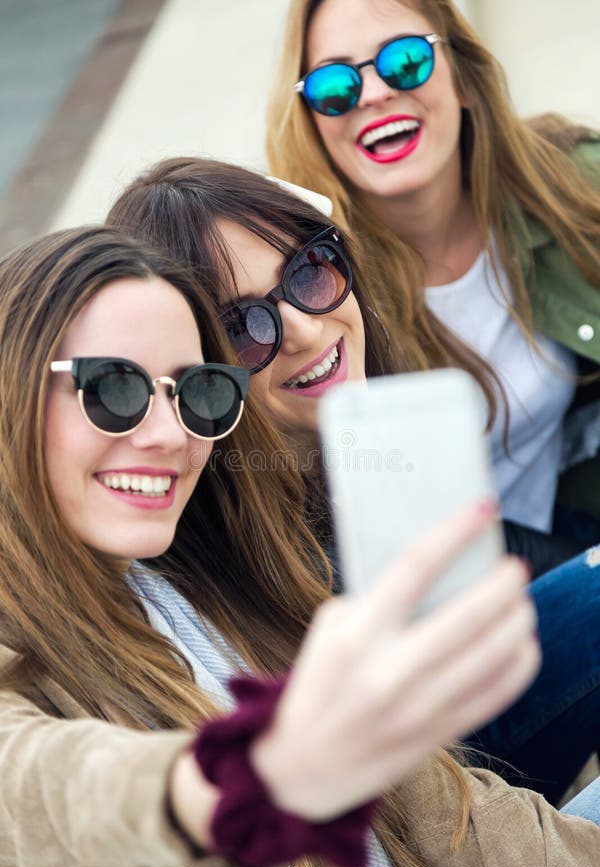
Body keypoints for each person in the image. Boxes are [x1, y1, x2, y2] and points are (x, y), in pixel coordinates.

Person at [2, 224, 588, 867]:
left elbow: (462, 825)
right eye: (114, 388)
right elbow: (46, 793)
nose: (169, 436)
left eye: (197, 393)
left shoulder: (208, 585)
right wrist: (251, 779)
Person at [107, 156, 600, 807]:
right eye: (241, 326)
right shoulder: (207, 522)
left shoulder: (359, 434)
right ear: (196, 373)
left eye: (309, 272)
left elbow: (494, 557)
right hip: (427, 803)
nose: (306, 332)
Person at [265, 0, 600, 548]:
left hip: (574, 526)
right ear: (311, 124)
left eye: (404, 60)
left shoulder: (569, 186)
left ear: (464, 80)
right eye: (334, 85)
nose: (373, 93)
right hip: (441, 586)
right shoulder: (306, 291)